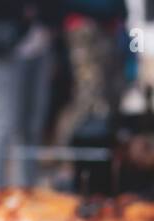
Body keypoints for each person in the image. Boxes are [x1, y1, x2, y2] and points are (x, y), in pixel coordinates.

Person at [0, 1, 63, 188]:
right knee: (3, 123)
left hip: (40, 41)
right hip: (4, 42)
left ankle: (27, 189)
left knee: (32, 126)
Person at [55, 1, 128, 148]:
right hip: (84, 28)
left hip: (110, 28)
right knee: (88, 95)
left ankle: (103, 149)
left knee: (113, 94)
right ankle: (65, 152)